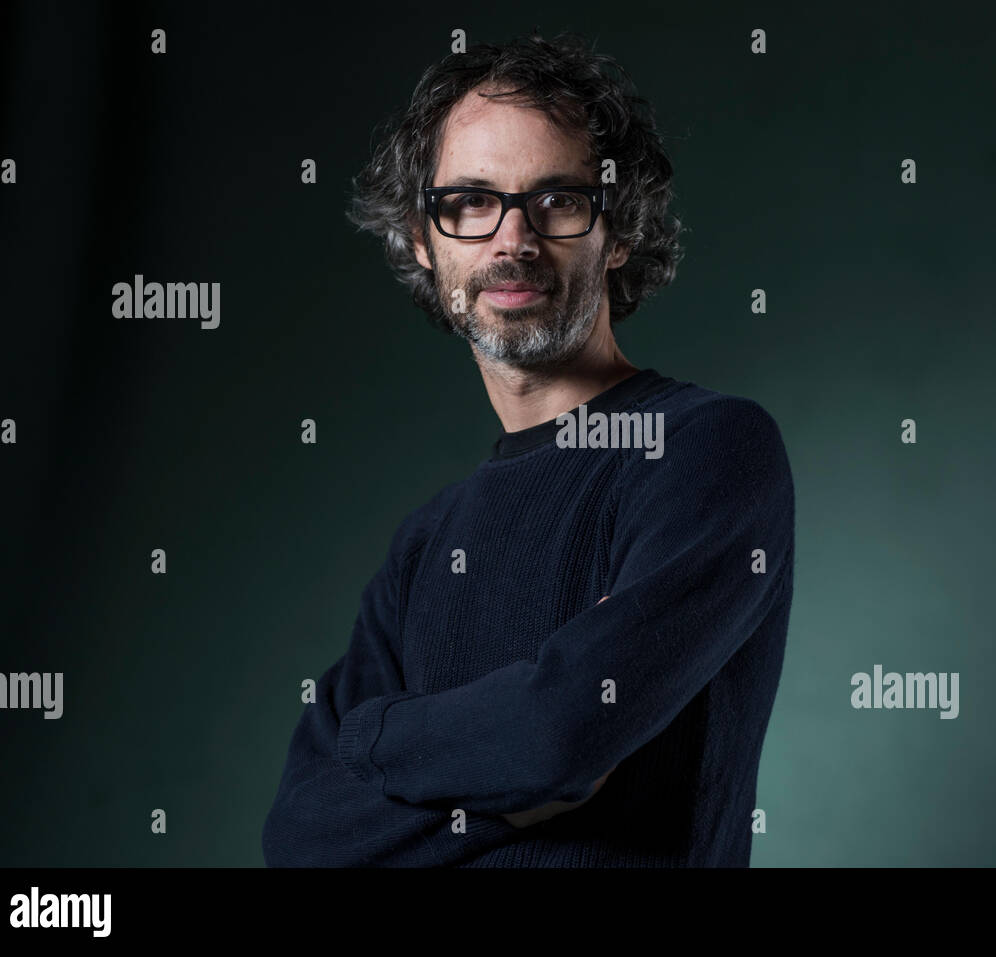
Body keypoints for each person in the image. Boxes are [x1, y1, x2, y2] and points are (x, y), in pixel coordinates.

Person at [261, 31, 795, 867]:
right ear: (424, 241)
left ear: (617, 232)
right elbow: (301, 834)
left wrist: (373, 739)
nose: (512, 240)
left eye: (556, 200)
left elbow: (558, 735)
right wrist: (498, 767)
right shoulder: (426, 542)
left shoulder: (708, 452)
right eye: (471, 202)